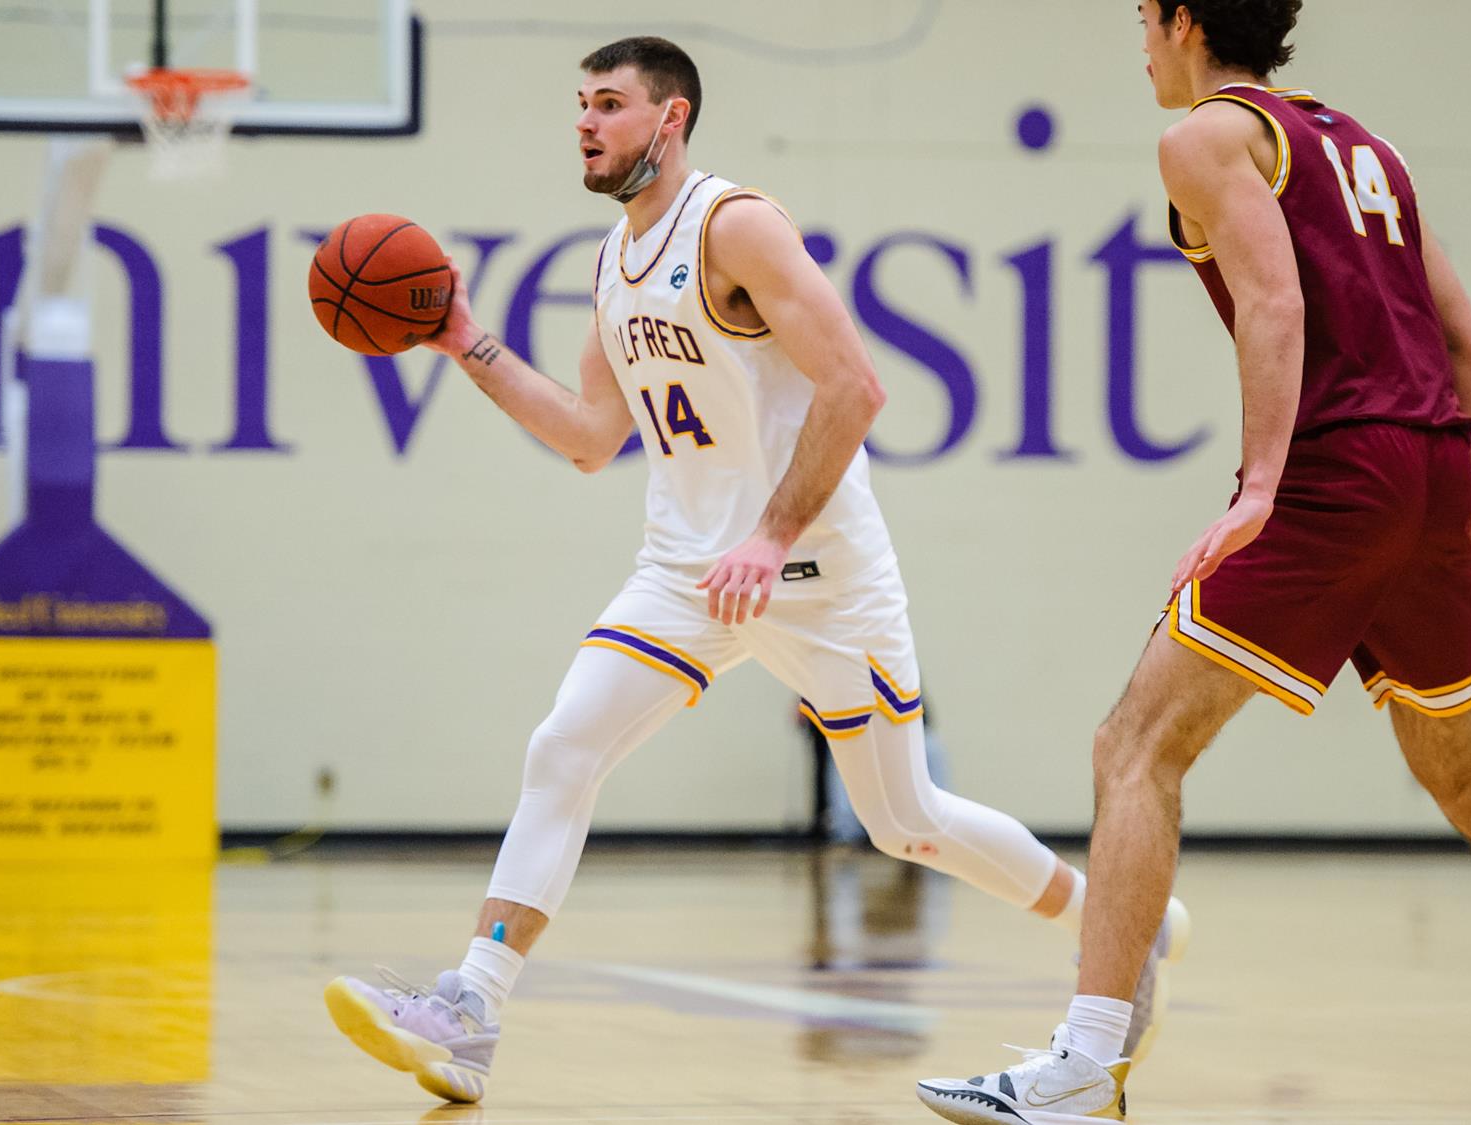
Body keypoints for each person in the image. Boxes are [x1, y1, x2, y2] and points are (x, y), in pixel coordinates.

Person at [322, 35, 1185, 1105]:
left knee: (903, 820)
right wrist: (462, 340)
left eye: (607, 104)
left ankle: (1121, 922)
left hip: (816, 572)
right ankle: (470, 1007)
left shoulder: (735, 227)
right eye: (577, 106)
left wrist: (769, 537)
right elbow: (593, 438)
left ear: (669, 118)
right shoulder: (612, 262)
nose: (584, 123)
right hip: (687, 572)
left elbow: (855, 388)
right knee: (564, 746)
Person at [915, 4, 1471, 1123]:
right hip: (1434, 470)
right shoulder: (1367, 150)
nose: (1137, 42)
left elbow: (1270, 299)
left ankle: (1083, 1066)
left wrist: (1259, 486)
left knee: (1134, 746)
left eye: (1142, 18)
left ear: (1185, 21)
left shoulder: (1207, 135)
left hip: (1335, 473)